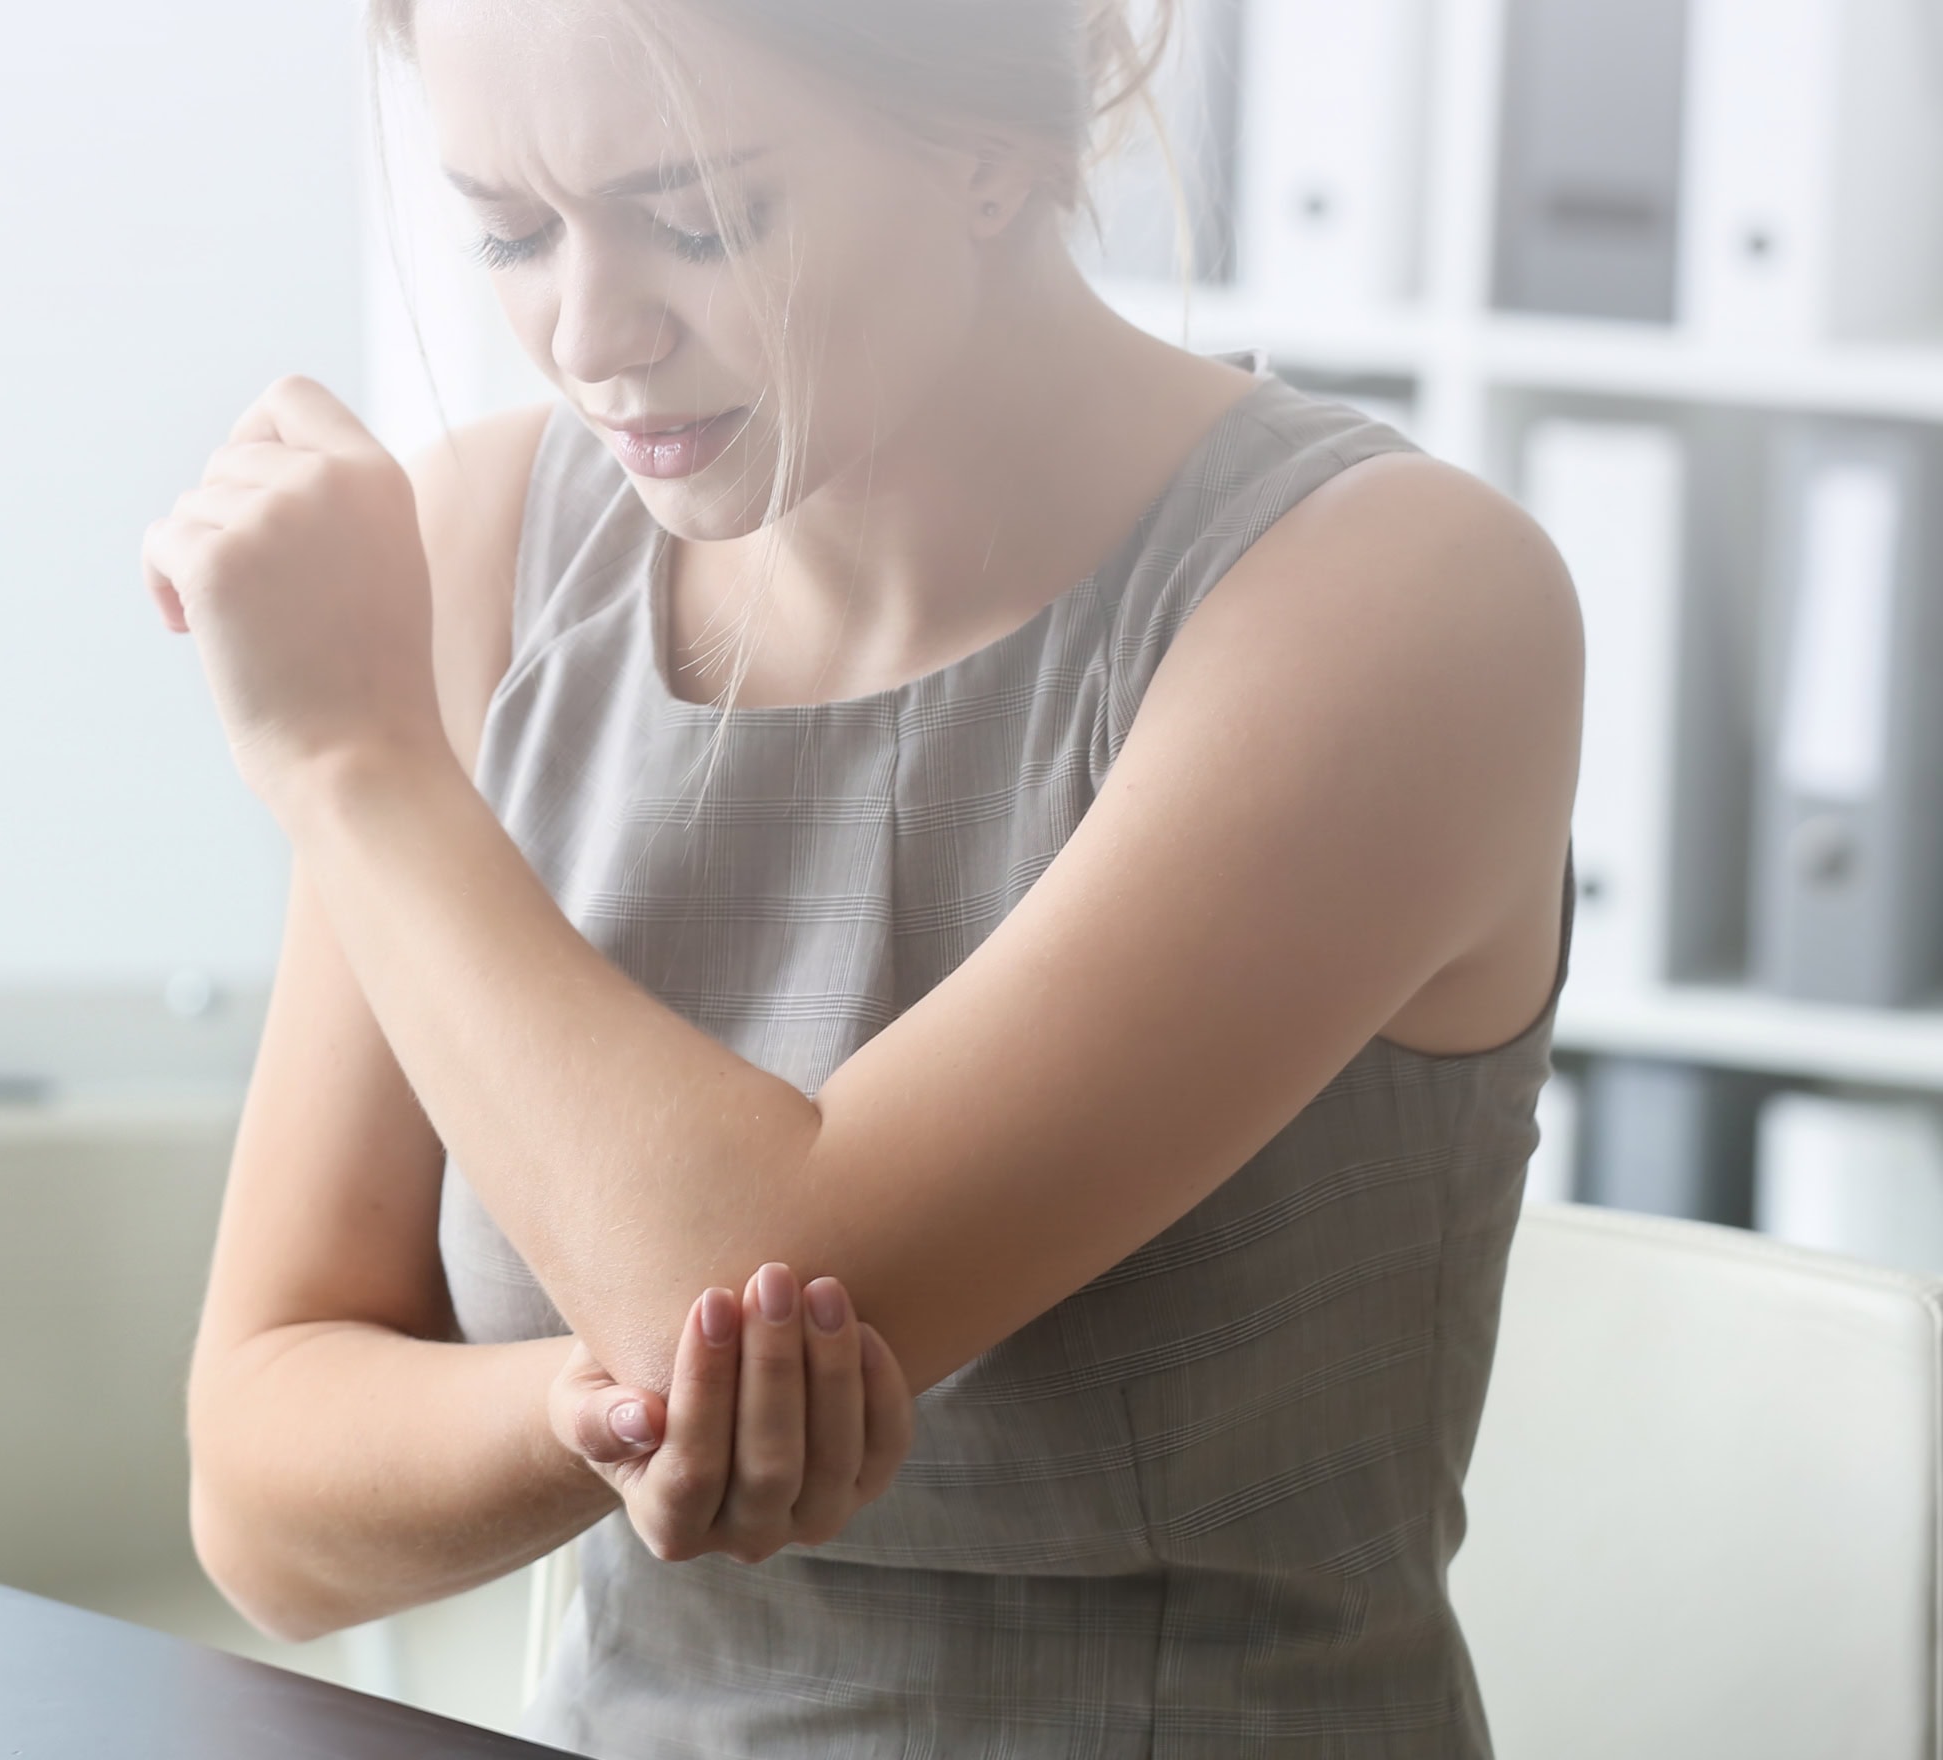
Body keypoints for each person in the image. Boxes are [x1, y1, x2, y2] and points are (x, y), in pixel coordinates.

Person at [138, 0, 1579, 1752]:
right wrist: (587, 1422)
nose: (590, 333)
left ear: (987, 153)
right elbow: (267, 1506)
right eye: (512, 231)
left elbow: (740, 1280)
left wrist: (352, 768)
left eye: (702, 220)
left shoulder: (1397, 600)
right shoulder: (475, 555)